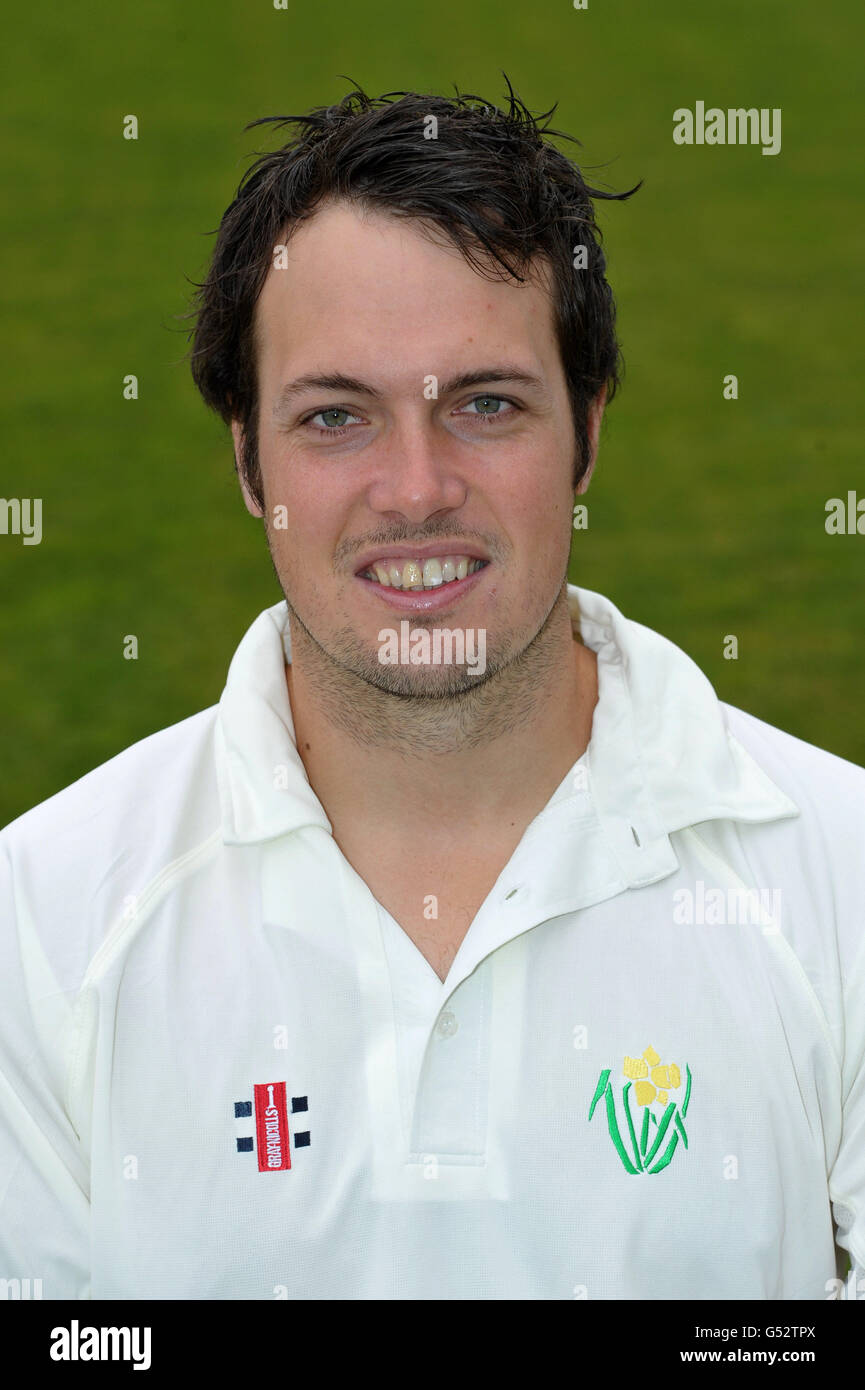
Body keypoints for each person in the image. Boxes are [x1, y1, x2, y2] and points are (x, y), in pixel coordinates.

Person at [1, 80, 863, 1302]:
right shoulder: (40, 922)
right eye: (336, 416)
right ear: (248, 459)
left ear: (589, 434)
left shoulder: (840, 879)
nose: (415, 488)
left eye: (486, 405)